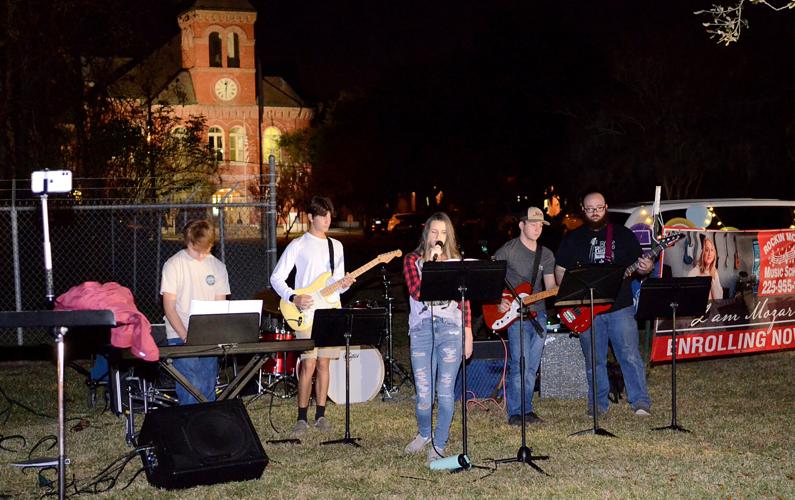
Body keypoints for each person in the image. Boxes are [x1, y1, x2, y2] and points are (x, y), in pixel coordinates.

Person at [554, 191, 653, 417]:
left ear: (606, 207)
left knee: (629, 355)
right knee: (594, 359)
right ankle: (598, 405)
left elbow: (641, 267)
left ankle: (640, 401)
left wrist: (646, 267)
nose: (595, 212)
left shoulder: (623, 234)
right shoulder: (573, 238)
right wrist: (569, 292)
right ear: (583, 210)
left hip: (620, 307)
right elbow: (560, 270)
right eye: (590, 209)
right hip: (587, 309)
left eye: (599, 208)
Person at [270, 196, 355, 437]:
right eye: (322, 215)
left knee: (324, 363)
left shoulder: (336, 246)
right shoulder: (298, 245)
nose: (327, 220)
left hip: (330, 310)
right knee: (308, 364)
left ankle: (321, 415)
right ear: (311, 217)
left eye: (329, 215)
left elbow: (336, 286)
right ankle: (301, 417)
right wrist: (293, 297)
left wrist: (345, 284)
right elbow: (276, 278)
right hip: (306, 312)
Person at [402, 212, 473, 466]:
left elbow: (465, 302)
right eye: (434, 232)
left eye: (443, 233)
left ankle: (439, 443)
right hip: (421, 330)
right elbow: (417, 292)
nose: (438, 237)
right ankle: (424, 434)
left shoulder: (456, 263)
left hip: (451, 330)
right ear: (426, 234)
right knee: (424, 396)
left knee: (444, 392)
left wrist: (468, 333)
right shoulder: (412, 260)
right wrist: (430, 264)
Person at [493, 207, 557, 426]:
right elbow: (489, 278)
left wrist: (561, 289)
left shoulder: (546, 254)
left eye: (541, 225)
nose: (538, 228)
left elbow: (550, 285)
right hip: (515, 316)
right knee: (519, 364)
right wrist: (497, 300)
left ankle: (526, 410)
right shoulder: (507, 251)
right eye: (533, 224)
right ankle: (515, 413)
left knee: (532, 367)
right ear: (521, 225)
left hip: (538, 314)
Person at [161, 219, 230, 405]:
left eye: (205, 248)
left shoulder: (218, 267)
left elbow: (220, 306)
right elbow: (169, 307)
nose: (201, 254)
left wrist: (215, 335)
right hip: (180, 334)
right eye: (196, 249)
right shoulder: (173, 265)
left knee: (207, 385)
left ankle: (207, 421)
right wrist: (186, 336)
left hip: (208, 337)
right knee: (190, 385)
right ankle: (190, 421)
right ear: (188, 241)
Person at [687, 235, 723, 300]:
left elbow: (719, 298)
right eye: (706, 250)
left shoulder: (714, 272)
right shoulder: (693, 273)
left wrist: (711, 279)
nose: (709, 254)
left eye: (712, 250)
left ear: (714, 254)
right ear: (702, 253)